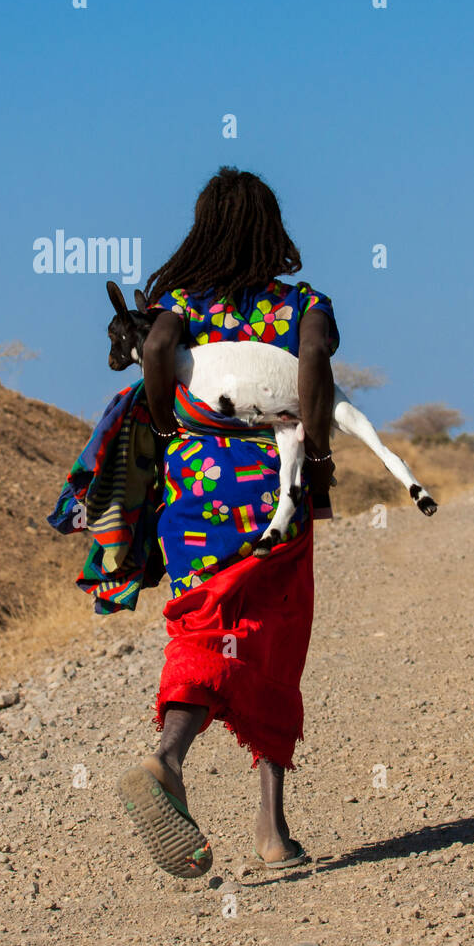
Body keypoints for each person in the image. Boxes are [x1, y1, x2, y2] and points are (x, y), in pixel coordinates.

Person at [116, 166, 337, 876]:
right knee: (272, 643)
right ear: (272, 229)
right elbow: (312, 358)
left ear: (202, 228)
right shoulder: (301, 302)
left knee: (204, 625)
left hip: (193, 493)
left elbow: (154, 352)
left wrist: (166, 421)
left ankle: (167, 757)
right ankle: (271, 832)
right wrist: (319, 444)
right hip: (273, 491)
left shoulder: (176, 303)